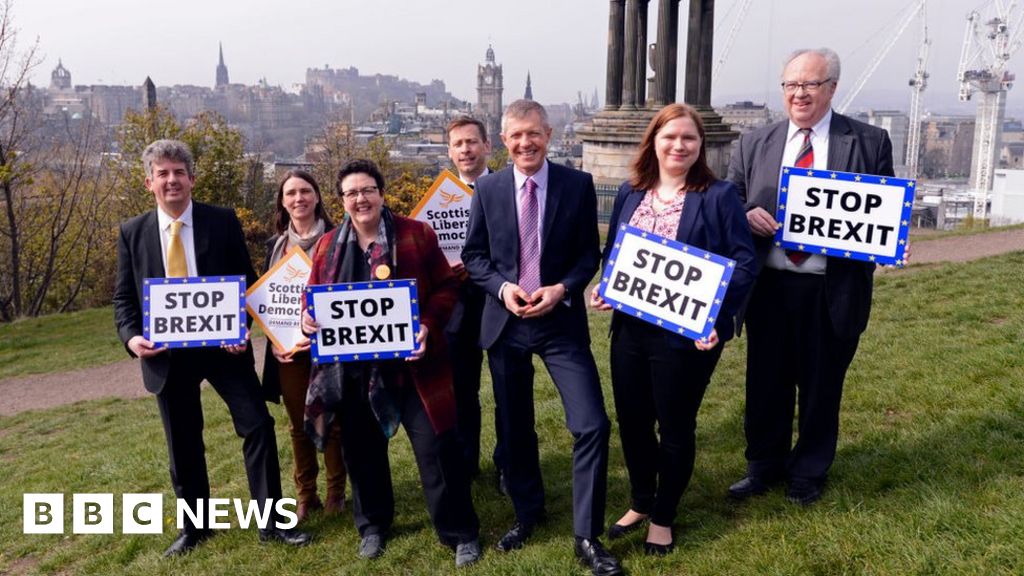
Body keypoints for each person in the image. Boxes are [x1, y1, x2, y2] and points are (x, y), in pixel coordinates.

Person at [112, 139, 311, 556]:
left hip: (224, 351)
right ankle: (195, 528)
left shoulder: (221, 221)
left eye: (178, 173)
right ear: (149, 182)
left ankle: (272, 523)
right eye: (162, 174)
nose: (171, 180)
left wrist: (240, 328)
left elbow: (246, 281)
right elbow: (124, 299)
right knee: (183, 441)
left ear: (192, 179)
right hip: (166, 355)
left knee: (257, 425)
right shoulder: (133, 232)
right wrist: (132, 338)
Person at [726, 48, 895, 506]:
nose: (799, 93)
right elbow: (730, 201)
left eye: (810, 84)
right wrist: (746, 214)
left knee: (822, 385)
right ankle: (763, 466)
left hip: (830, 288)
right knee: (766, 382)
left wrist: (888, 240)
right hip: (769, 287)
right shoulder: (754, 142)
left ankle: (808, 472)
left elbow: (883, 207)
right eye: (791, 85)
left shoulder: (869, 141)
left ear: (832, 88)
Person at [462, 99, 622, 576]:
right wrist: (502, 288)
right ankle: (527, 514)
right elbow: (475, 257)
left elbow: (587, 255)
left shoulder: (577, 184)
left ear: (549, 135)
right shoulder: (488, 188)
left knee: (592, 424)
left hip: (559, 323)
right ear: (504, 141)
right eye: (516, 135)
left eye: (533, 133)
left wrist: (563, 289)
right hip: (507, 323)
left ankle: (587, 535)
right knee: (514, 428)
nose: (525, 143)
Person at [590, 103, 757, 554]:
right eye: (670, 136)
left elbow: (745, 262)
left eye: (688, 138)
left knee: (675, 426)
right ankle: (641, 500)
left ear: (700, 145)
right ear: (654, 142)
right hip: (630, 330)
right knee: (633, 422)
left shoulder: (718, 195)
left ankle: (663, 516)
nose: (678, 145)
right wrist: (607, 286)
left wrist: (717, 317)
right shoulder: (630, 192)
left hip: (685, 335)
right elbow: (615, 250)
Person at [300, 159, 481, 567]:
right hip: (355, 371)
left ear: (382, 194)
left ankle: (460, 532)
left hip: (416, 368)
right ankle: (373, 526)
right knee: (362, 454)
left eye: (368, 190)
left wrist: (428, 326)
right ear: (342, 201)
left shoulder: (417, 234)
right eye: (351, 193)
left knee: (437, 451)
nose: (360, 199)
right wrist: (307, 319)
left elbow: (447, 288)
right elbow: (311, 299)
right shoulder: (327, 246)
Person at [260, 170, 346, 522]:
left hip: (331, 344)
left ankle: (336, 492)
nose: (299, 198)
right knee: (298, 426)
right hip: (290, 352)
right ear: (282, 201)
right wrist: (275, 339)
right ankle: (305, 495)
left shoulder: (340, 237)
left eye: (306, 191)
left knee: (334, 420)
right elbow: (268, 300)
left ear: (317, 196)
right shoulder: (274, 246)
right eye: (291, 193)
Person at [444, 116, 506, 490]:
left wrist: (481, 267)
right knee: (461, 391)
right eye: (458, 144)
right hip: (457, 308)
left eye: (471, 142)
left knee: (507, 389)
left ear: (487, 146)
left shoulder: (508, 189)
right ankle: (466, 463)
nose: (465, 150)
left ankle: (508, 464)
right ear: (450, 152)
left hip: (500, 301)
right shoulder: (438, 199)